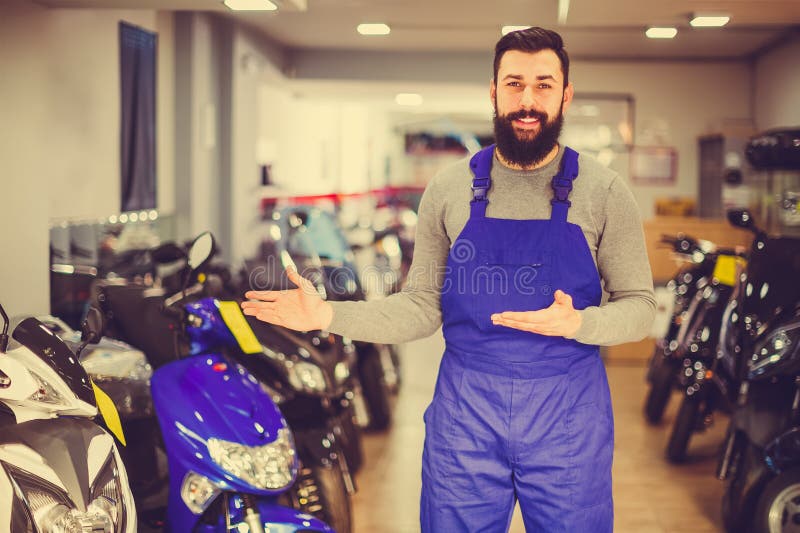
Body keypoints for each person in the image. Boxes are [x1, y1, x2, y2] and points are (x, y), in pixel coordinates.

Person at [242, 26, 655, 533]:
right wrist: (328, 314)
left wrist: (580, 324)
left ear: (565, 94)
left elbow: (640, 307)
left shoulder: (605, 191)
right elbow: (419, 306)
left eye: (544, 85)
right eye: (515, 84)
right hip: (467, 415)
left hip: (567, 412)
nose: (528, 100)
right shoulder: (450, 189)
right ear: (494, 91)